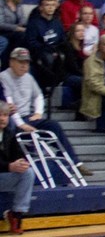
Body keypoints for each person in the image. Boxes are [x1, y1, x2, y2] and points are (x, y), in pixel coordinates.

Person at [1, 47, 90, 176]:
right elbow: (9, 106)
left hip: (29, 117)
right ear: (11, 62)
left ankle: (73, 162)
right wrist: (21, 124)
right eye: (20, 62)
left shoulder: (29, 77)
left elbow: (38, 96)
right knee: (17, 127)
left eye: (26, 63)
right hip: (12, 120)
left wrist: (38, 112)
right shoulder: (3, 77)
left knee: (53, 125)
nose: (24, 66)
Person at [0, 102, 33, 234]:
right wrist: (9, 166)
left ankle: (16, 215)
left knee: (28, 173)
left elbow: (18, 154)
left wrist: (22, 163)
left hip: (3, 177)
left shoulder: (10, 133)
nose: (2, 118)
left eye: (5, 115)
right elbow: (8, 165)